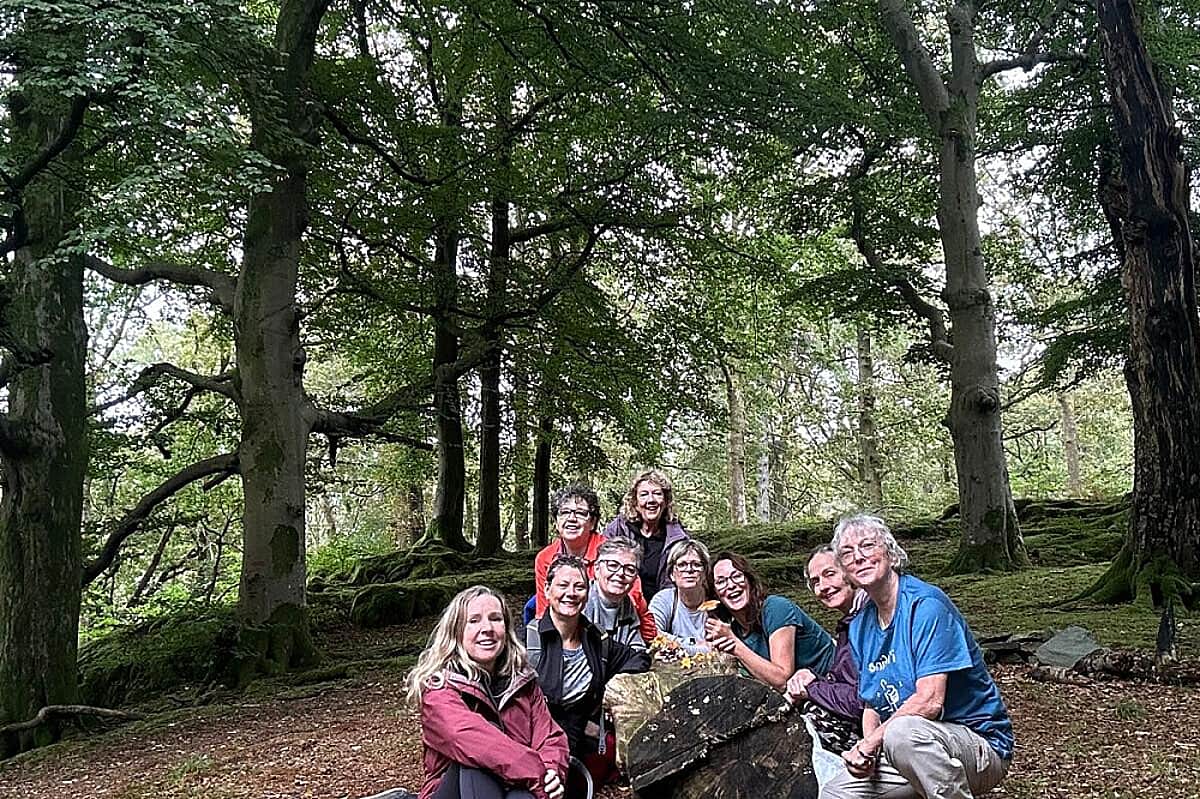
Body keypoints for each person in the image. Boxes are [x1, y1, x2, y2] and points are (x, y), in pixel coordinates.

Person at [823, 515, 1013, 799]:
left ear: (890, 552)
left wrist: (872, 743)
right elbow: (871, 705)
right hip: (907, 747)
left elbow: (930, 701)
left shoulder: (926, 606)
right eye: (848, 554)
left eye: (868, 546)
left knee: (903, 733)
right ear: (845, 572)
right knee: (836, 794)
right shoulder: (860, 625)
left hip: (978, 745)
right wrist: (867, 753)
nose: (859, 557)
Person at [406, 586, 569, 799]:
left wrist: (551, 772)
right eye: (474, 621)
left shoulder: (523, 683)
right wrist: (537, 773)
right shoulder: (439, 688)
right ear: (456, 631)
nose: (487, 628)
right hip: (455, 791)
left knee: (523, 796)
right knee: (476, 764)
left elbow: (550, 737)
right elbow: (469, 738)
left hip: (516, 787)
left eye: (495, 619)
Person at [527, 555, 651, 785]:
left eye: (580, 587)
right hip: (535, 743)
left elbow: (639, 658)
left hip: (579, 744)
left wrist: (612, 688)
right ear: (547, 589)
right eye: (563, 585)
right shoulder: (527, 642)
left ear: (587, 593)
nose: (571, 593)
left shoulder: (596, 639)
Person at [532, 482, 655, 642]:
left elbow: (633, 599)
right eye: (564, 512)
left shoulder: (612, 553)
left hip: (614, 629)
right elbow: (544, 609)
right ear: (556, 521)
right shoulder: (545, 558)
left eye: (581, 513)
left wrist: (652, 643)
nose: (572, 519)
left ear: (592, 522)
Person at [705, 551, 836, 691]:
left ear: (749, 581)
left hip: (838, 684)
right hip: (804, 696)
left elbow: (782, 680)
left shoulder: (776, 608)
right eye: (721, 582)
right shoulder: (736, 630)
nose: (731, 585)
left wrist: (734, 646)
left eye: (736, 576)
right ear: (715, 594)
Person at [784, 545, 867, 754]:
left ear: (849, 572)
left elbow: (862, 702)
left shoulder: (869, 619)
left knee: (808, 722)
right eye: (815, 582)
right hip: (864, 725)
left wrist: (811, 688)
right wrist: (812, 678)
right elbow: (845, 683)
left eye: (829, 574)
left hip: (881, 732)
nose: (823, 586)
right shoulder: (850, 623)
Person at [603, 469, 691, 598]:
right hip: (620, 602)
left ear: (666, 502)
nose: (651, 500)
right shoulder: (618, 529)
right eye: (644, 494)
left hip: (662, 607)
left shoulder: (678, 539)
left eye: (657, 494)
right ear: (635, 502)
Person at [647, 539, 715, 654]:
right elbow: (653, 634)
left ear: (704, 573)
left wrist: (676, 644)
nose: (689, 570)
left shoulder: (716, 601)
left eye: (696, 565)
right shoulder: (665, 599)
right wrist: (695, 645)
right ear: (672, 574)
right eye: (682, 565)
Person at [583, 538, 650, 650]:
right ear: (597, 569)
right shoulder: (581, 601)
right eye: (613, 565)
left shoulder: (626, 603)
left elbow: (637, 649)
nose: (620, 573)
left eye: (629, 569)